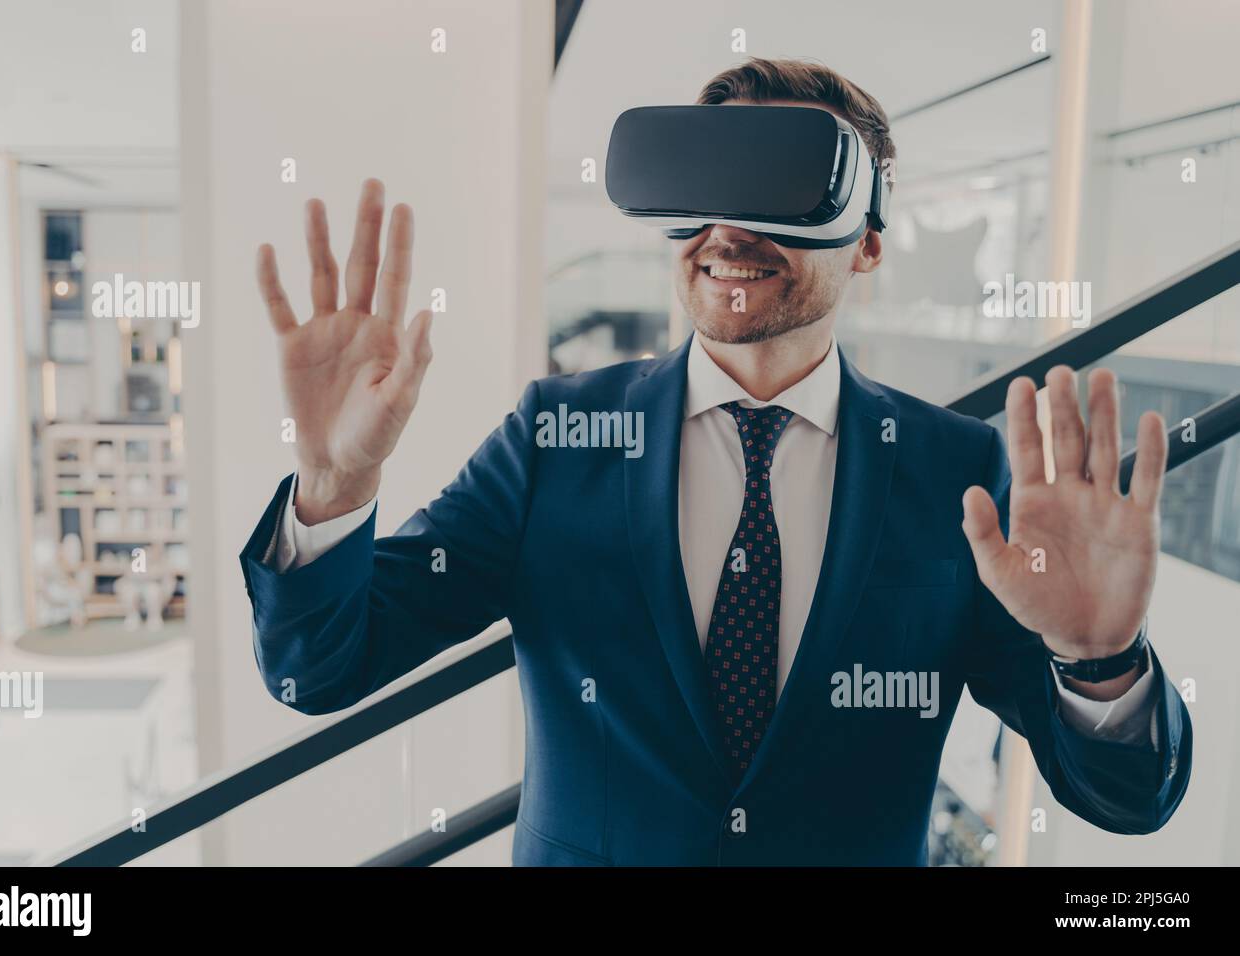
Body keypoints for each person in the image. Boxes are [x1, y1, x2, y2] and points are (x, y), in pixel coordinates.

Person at [239, 58, 1191, 865]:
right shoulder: (555, 438)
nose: (726, 233)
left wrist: (1099, 661)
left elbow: (1124, 799)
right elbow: (318, 672)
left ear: (866, 242)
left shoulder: (959, 474)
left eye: (778, 188)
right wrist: (332, 488)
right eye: (703, 187)